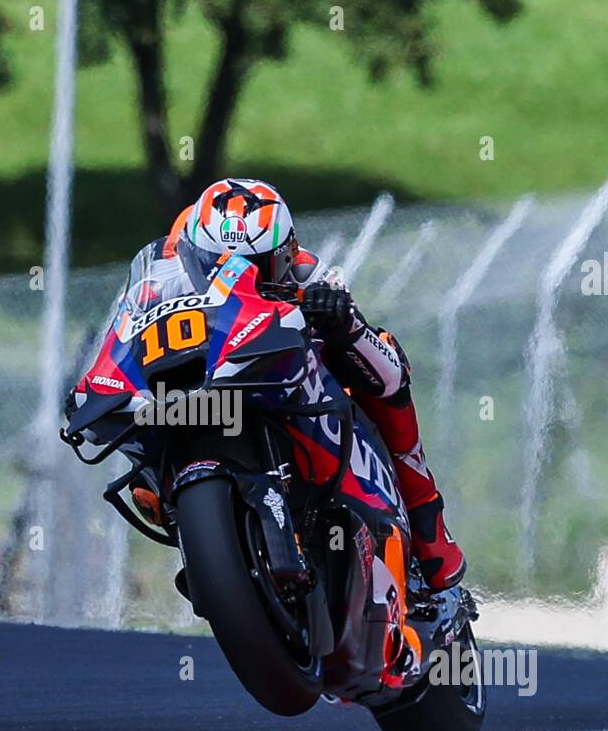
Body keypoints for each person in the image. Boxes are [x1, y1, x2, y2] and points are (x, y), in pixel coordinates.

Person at [162, 177, 466, 591]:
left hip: (280, 374)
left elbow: (385, 366)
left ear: (285, 253)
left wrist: (340, 320)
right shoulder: (170, 263)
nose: (234, 275)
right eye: (217, 262)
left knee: (387, 365)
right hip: (198, 377)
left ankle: (425, 511)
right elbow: (127, 320)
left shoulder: (305, 270)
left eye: (256, 265)